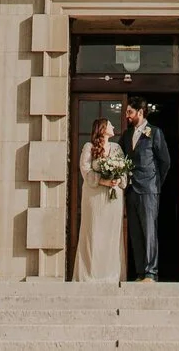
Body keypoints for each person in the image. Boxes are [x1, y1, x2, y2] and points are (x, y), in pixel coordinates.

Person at [120, 97, 172, 281]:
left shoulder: (154, 133)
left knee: (149, 231)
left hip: (149, 190)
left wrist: (155, 184)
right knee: (135, 233)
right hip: (131, 190)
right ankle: (141, 272)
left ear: (140, 113)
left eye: (129, 112)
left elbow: (165, 161)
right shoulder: (126, 136)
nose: (126, 115)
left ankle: (151, 272)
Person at [73, 116, 125, 282]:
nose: (113, 127)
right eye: (110, 125)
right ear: (102, 129)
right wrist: (103, 181)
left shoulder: (117, 148)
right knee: (93, 232)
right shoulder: (89, 147)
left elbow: (124, 169)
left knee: (112, 234)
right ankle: (91, 274)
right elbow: (85, 169)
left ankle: (111, 274)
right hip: (95, 197)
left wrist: (118, 179)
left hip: (113, 198)